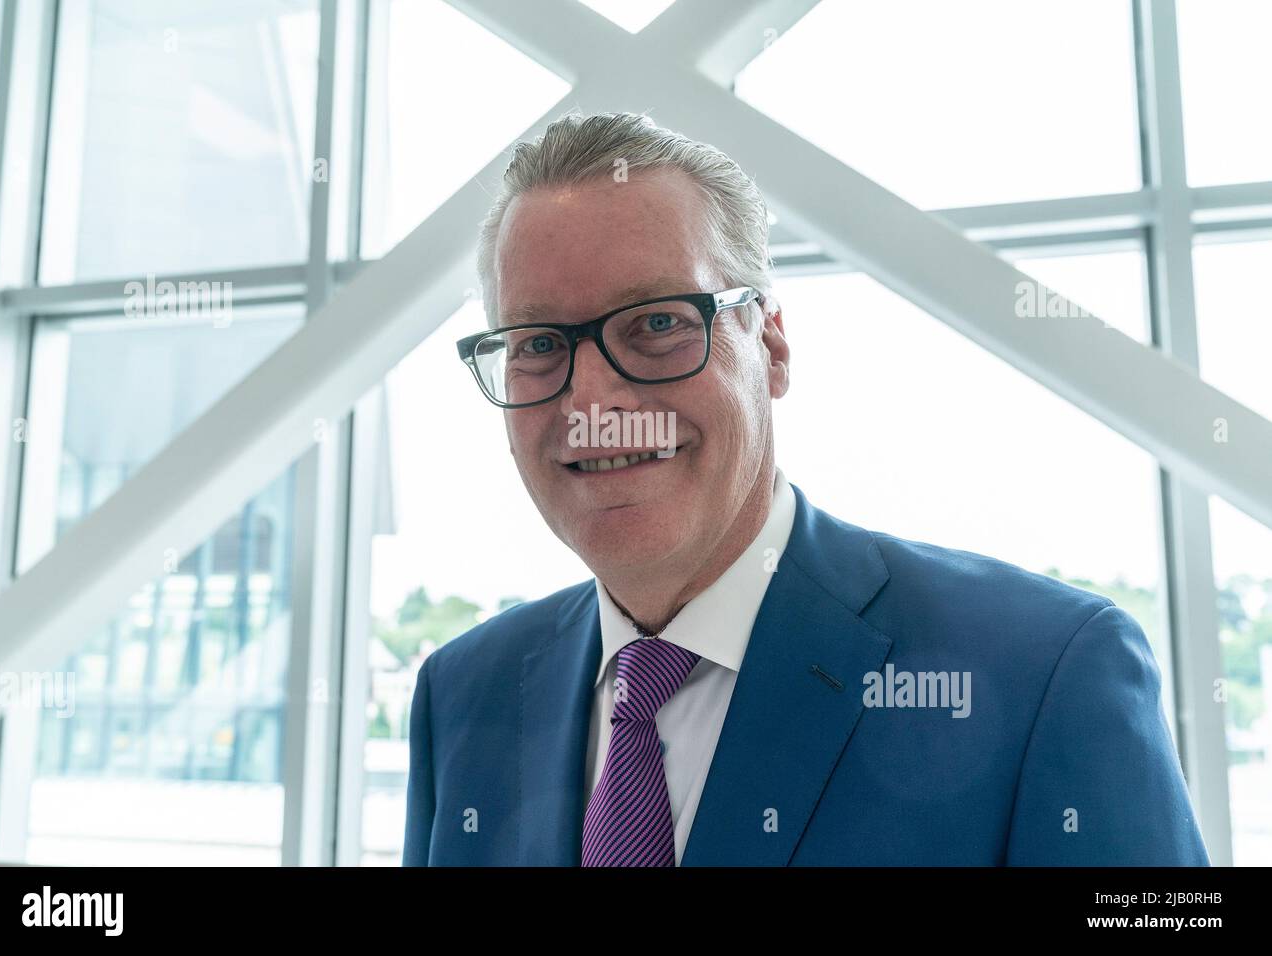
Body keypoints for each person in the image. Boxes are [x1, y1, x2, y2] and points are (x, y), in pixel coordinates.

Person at [402, 111, 1208, 866]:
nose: (593, 406)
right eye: (539, 342)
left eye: (656, 323)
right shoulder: (463, 697)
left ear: (772, 347)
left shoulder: (1044, 672)